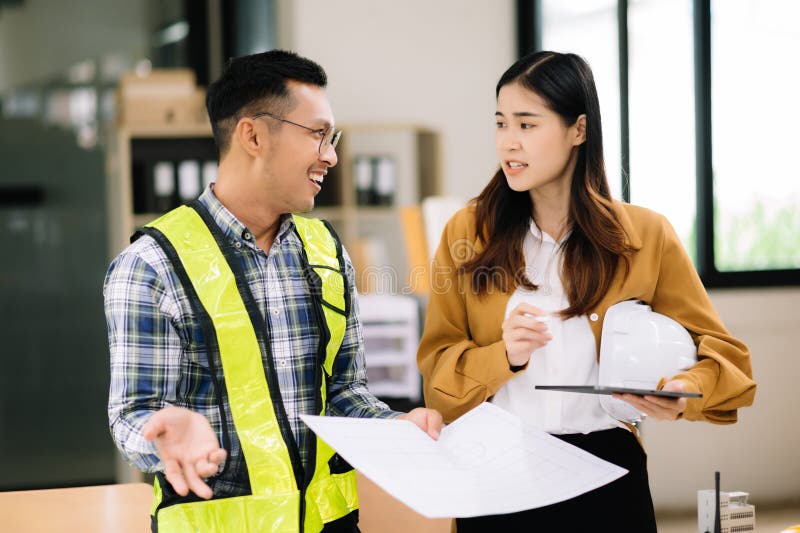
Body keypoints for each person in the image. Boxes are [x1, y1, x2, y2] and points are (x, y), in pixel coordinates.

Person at [105, 49, 442, 533]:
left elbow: (344, 392)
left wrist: (394, 426)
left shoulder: (325, 250)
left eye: (332, 138)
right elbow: (133, 415)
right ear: (254, 136)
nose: (331, 156)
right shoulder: (153, 264)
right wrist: (163, 437)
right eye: (318, 134)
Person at [416, 51, 756, 532]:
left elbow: (727, 361)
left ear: (578, 129)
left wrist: (683, 391)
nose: (509, 141)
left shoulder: (645, 235)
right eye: (500, 123)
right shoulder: (468, 232)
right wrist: (504, 356)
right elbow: (438, 378)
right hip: (497, 473)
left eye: (527, 124)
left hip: (607, 474)